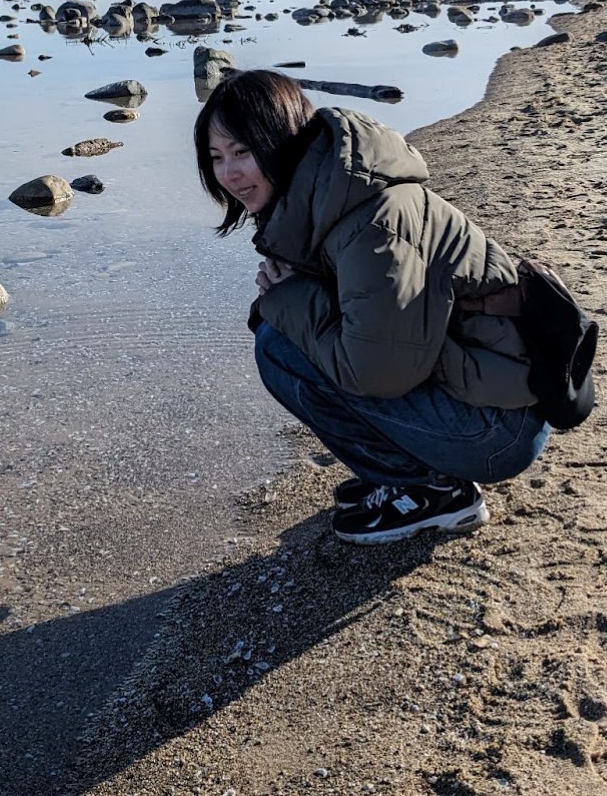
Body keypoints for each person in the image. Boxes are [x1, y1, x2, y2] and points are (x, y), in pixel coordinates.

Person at [194, 70, 549, 545]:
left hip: (498, 430)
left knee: (280, 347)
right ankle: (408, 473)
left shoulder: (373, 220)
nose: (230, 173)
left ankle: (432, 492)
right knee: (286, 335)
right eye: (217, 158)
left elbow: (377, 373)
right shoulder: (331, 193)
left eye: (243, 151)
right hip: (494, 395)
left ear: (282, 139)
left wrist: (290, 298)